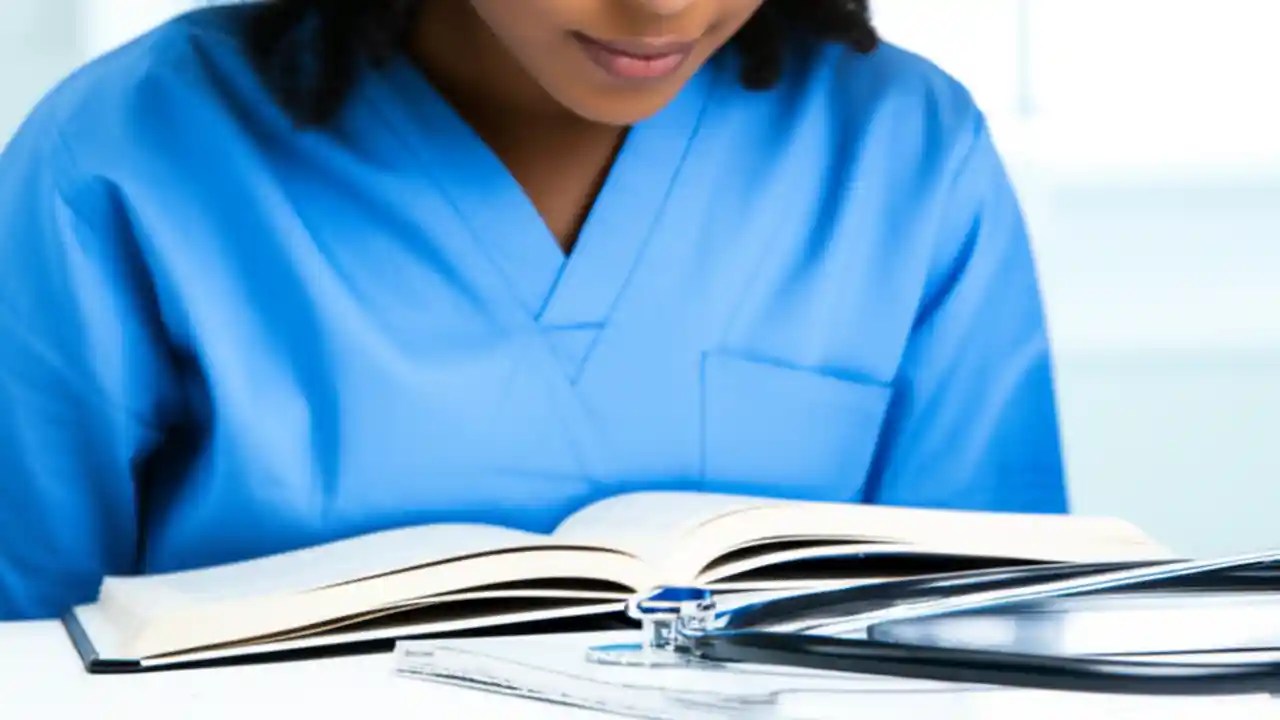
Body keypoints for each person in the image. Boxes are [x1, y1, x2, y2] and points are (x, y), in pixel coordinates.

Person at [0, 0, 1068, 621]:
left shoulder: (902, 146)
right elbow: (19, 627)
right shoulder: (128, 151)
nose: (662, 8)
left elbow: (984, 631)